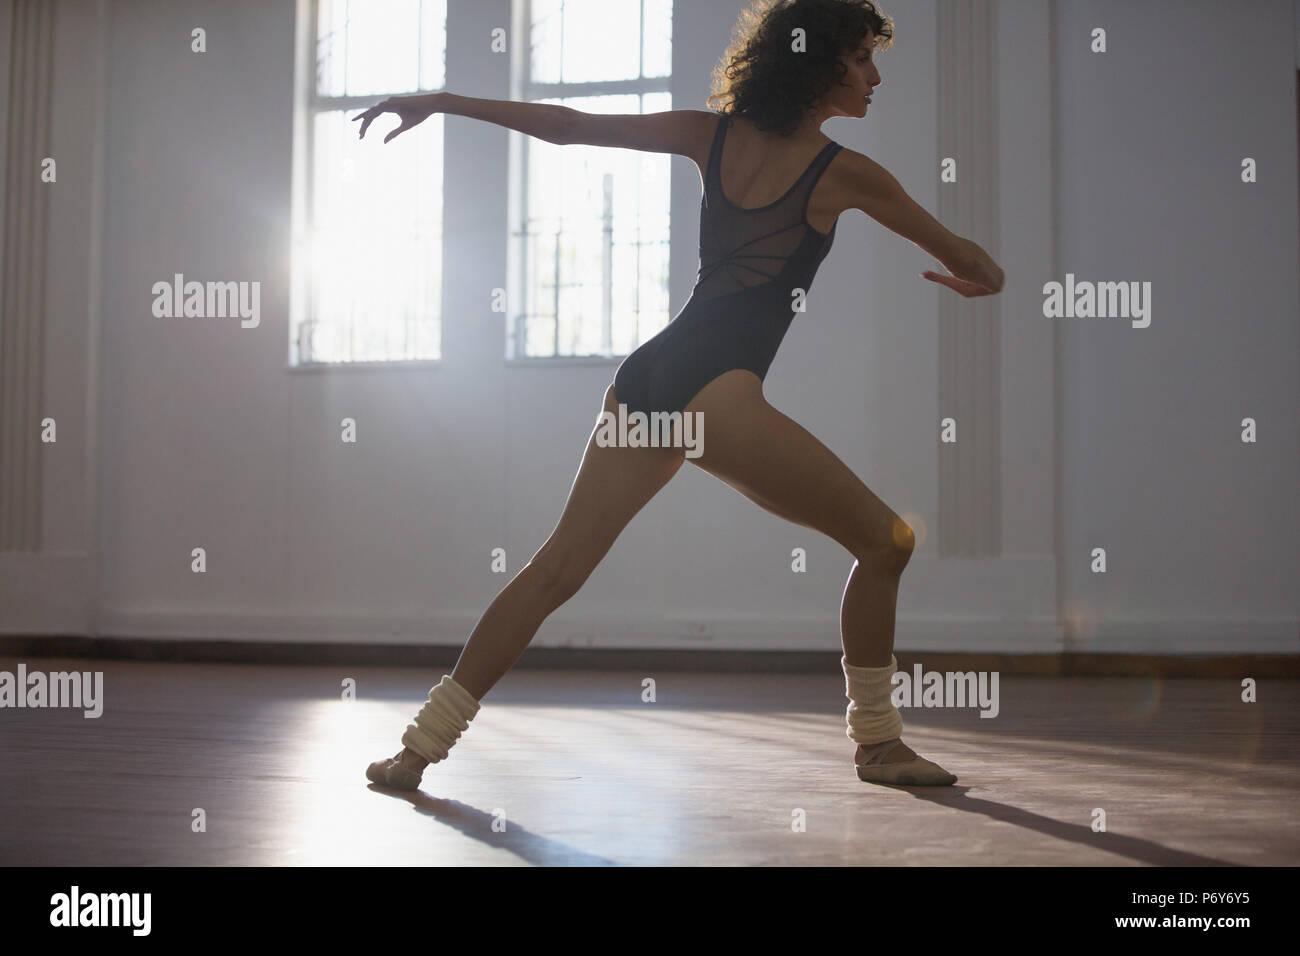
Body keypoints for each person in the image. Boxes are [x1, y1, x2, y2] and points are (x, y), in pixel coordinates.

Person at [352, 0, 1004, 791]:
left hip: (647, 380)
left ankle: (415, 753)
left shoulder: (710, 134)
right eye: (862, 58)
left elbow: (567, 125)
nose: (875, 76)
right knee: (887, 543)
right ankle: (878, 743)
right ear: (817, 62)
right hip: (716, 393)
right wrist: (987, 276)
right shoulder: (848, 174)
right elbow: (965, 257)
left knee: (554, 569)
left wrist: (445, 101)